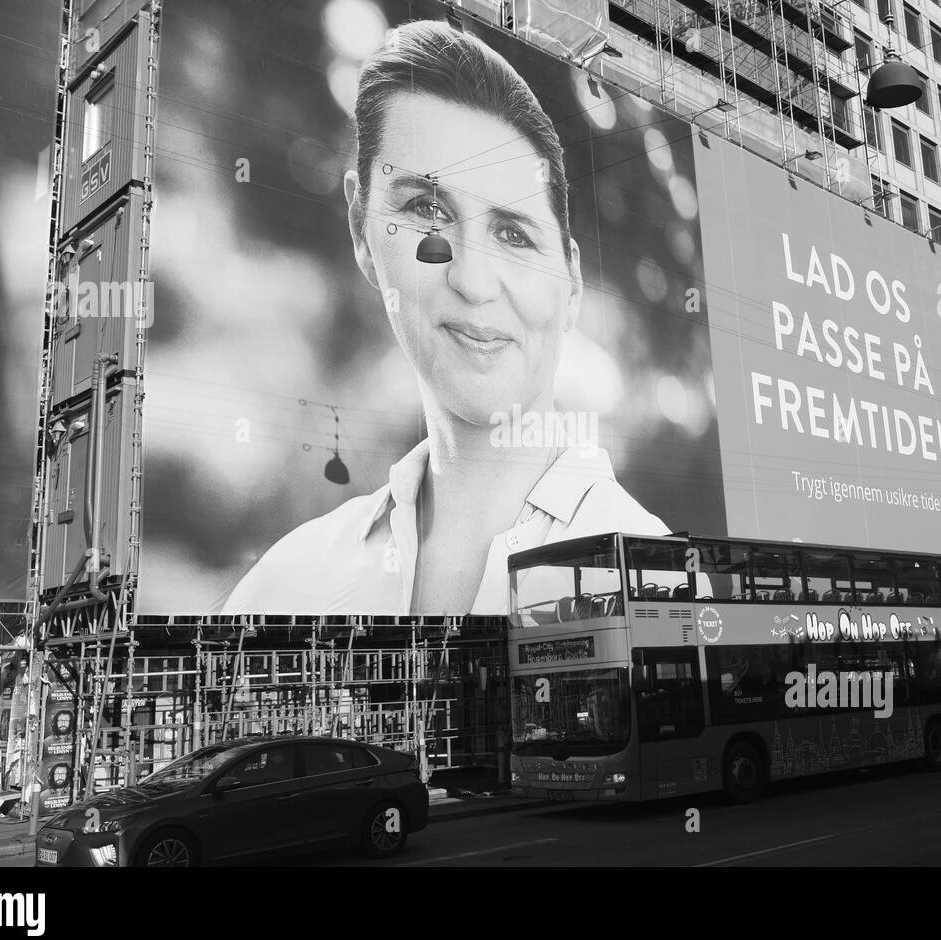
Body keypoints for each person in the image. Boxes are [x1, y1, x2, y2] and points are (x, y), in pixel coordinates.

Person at [223, 21, 668, 617]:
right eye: (428, 211)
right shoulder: (286, 587)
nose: (474, 282)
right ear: (362, 228)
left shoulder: (657, 587)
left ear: (572, 283)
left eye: (513, 233)